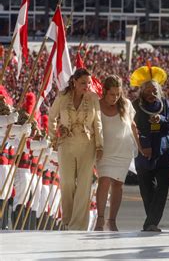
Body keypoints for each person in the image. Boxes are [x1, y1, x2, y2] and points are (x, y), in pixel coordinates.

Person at [48, 68, 103, 230]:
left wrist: (100, 145)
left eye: (88, 83)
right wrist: (54, 137)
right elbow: (52, 117)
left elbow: (97, 122)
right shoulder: (62, 96)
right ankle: (67, 220)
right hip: (66, 143)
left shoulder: (93, 98)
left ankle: (78, 225)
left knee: (84, 185)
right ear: (74, 82)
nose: (86, 86)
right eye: (83, 83)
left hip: (88, 144)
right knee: (67, 182)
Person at [94, 75, 141, 231]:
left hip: (123, 150)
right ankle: (100, 219)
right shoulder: (97, 105)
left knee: (118, 185)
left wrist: (140, 148)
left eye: (118, 94)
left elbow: (133, 126)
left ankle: (112, 220)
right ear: (105, 92)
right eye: (112, 94)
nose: (115, 97)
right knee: (104, 181)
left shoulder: (126, 104)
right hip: (105, 151)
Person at [133, 77, 169, 232]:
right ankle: (151, 223)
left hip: (163, 151)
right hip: (143, 152)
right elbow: (131, 128)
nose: (151, 93)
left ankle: (151, 223)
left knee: (162, 188)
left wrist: (162, 119)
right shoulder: (135, 106)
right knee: (147, 190)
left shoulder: (165, 104)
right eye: (147, 90)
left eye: (154, 90)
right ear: (142, 91)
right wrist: (143, 146)